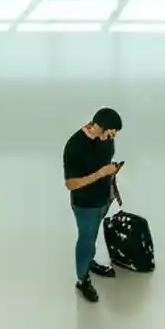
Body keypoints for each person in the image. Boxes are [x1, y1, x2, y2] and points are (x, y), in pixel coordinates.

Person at [63, 107, 123, 303]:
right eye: (110, 132)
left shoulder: (106, 138)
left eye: (114, 134)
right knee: (86, 239)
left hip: (103, 198)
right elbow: (71, 184)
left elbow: (103, 161)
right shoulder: (75, 146)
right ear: (97, 126)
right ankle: (82, 279)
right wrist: (100, 174)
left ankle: (89, 261)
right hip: (85, 204)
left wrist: (111, 172)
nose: (112, 137)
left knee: (93, 235)